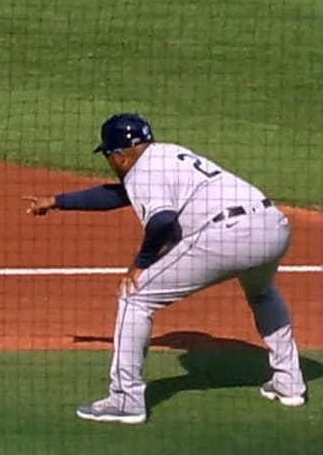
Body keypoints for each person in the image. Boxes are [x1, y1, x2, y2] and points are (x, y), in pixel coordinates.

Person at [24, 113, 306, 423]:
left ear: (118, 155)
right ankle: (289, 383)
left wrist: (140, 264)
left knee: (135, 296)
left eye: (107, 154)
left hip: (228, 235)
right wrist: (57, 201)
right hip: (273, 225)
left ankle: (125, 399)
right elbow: (120, 194)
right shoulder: (167, 154)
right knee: (263, 293)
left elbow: (162, 220)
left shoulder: (141, 172)